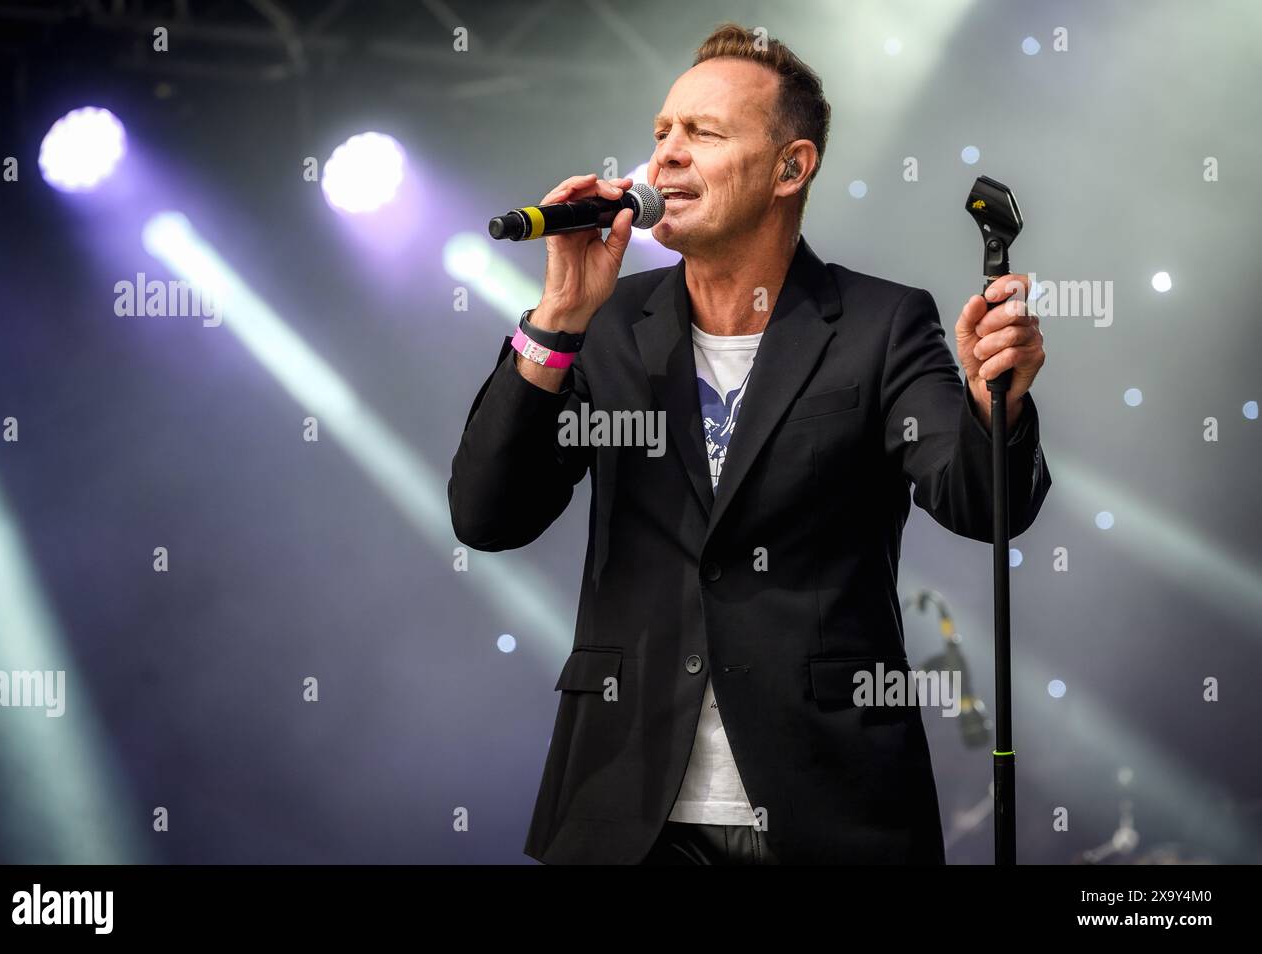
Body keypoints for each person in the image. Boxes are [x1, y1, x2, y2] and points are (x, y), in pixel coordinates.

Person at [448, 21, 1049, 864]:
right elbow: (487, 515)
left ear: (791, 168)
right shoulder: (609, 325)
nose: (666, 157)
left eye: (703, 133)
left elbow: (983, 505)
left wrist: (1001, 406)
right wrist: (556, 320)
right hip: (623, 811)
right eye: (661, 133)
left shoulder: (878, 325)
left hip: (833, 810)